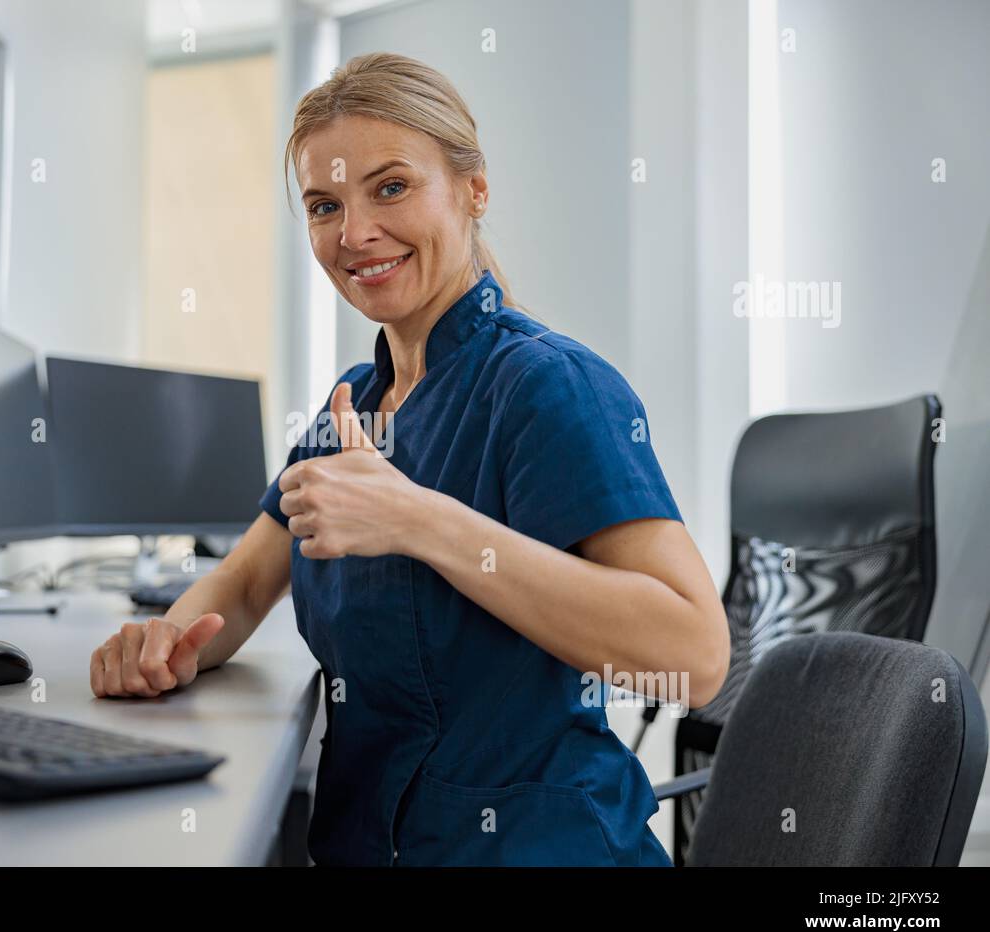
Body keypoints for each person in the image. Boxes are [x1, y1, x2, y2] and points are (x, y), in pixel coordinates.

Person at [89, 52, 729, 866]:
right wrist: (165, 644)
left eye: (391, 187)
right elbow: (247, 581)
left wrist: (419, 520)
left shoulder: (544, 387)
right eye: (325, 206)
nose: (355, 233)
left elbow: (696, 659)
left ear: (474, 190)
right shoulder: (351, 406)